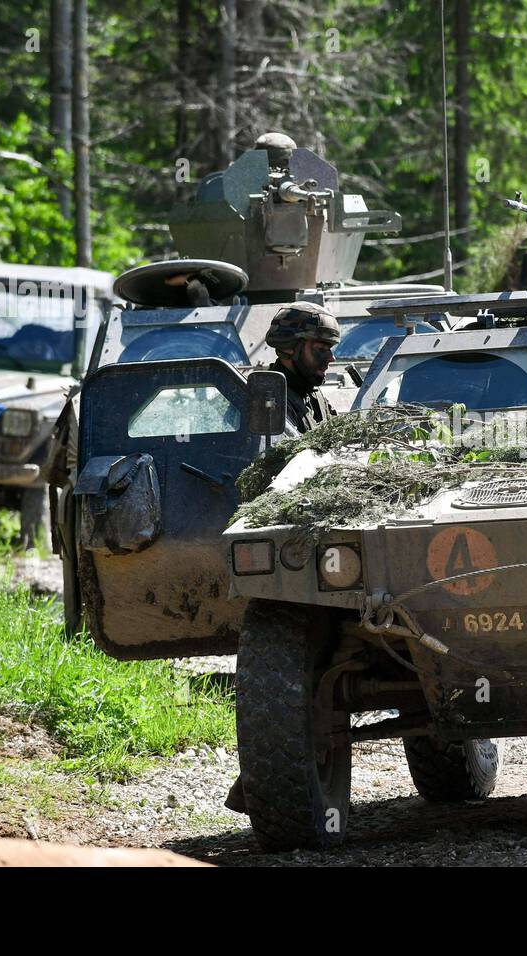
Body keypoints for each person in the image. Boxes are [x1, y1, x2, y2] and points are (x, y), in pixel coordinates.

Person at [224, 300, 340, 816]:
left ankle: (270, 782)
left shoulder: (313, 399)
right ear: (290, 350)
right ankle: (268, 782)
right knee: (298, 663)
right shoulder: (267, 401)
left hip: (320, 536)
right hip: (291, 548)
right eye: (320, 349)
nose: (328, 360)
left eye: (331, 349)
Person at [264, 300, 341, 435]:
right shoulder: (270, 401)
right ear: (289, 347)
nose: (331, 358)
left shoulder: (311, 393)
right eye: (321, 349)